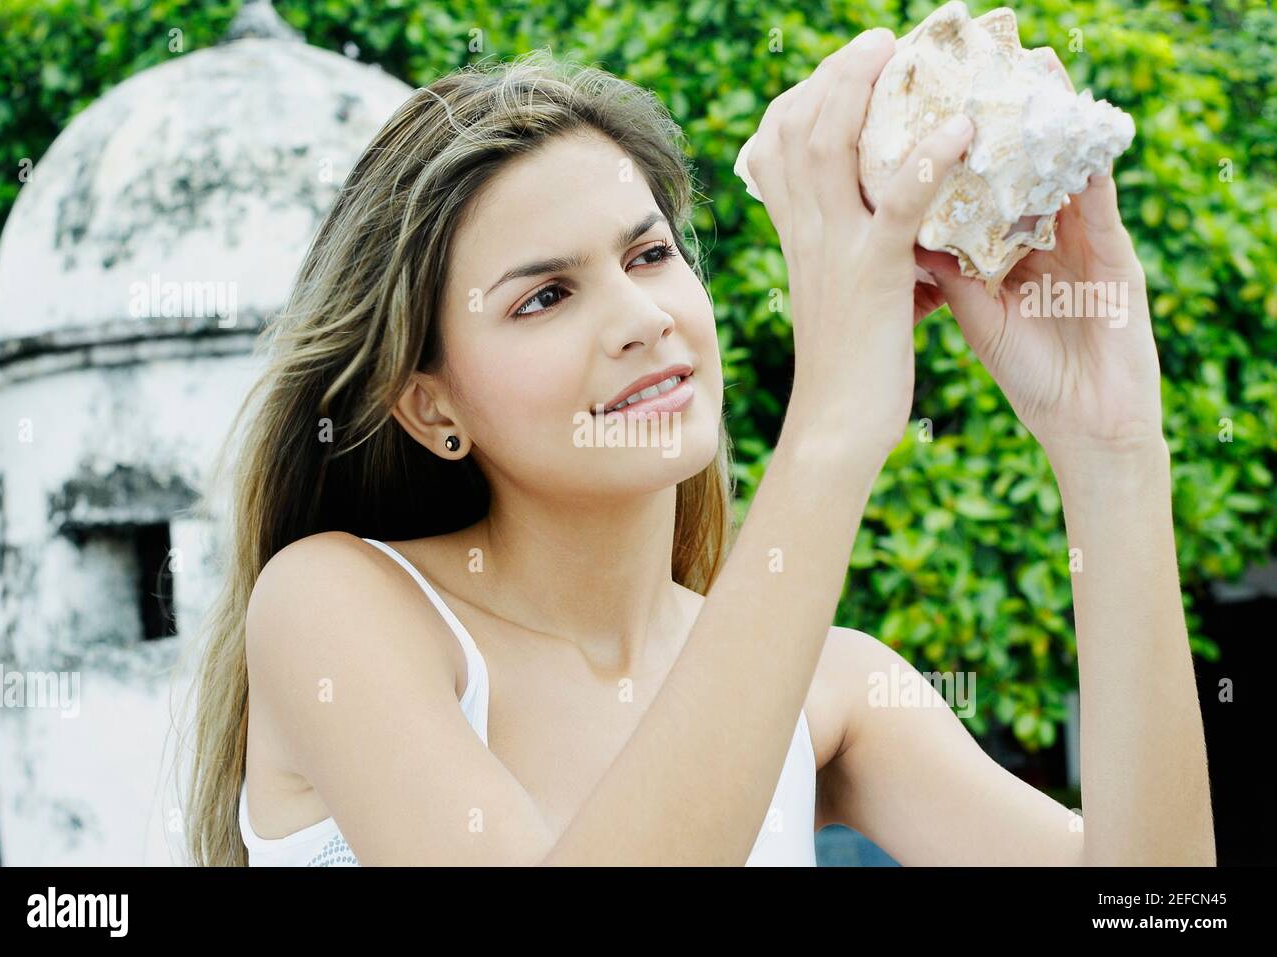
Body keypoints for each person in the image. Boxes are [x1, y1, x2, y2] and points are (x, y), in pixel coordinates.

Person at [181, 35, 1213, 866]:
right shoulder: (339, 608)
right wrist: (830, 430)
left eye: (649, 254)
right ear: (426, 403)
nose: (640, 317)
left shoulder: (830, 688)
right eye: (544, 296)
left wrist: (1110, 452)